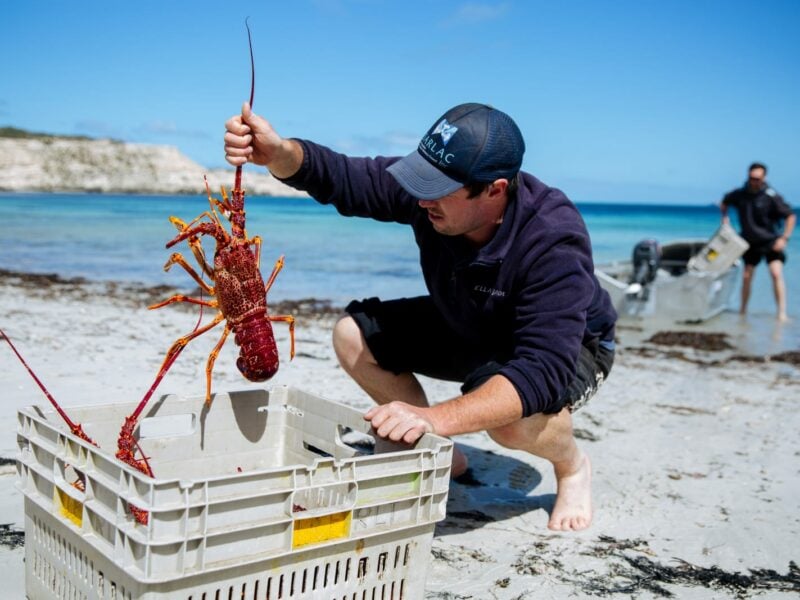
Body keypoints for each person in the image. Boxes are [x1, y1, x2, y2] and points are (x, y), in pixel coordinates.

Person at [224, 102, 617, 531]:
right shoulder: (430, 193)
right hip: (470, 319)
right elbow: (347, 178)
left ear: (494, 190)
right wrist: (279, 153)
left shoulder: (553, 238)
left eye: (438, 188)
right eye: (420, 180)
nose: (422, 196)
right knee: (352, 335)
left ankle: (573, 466)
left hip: (569, 346)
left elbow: (543, 370)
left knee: (512, 424)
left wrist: (432, 417)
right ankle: (439, 453)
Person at [721, 163, 795, 321]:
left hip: (771, 241)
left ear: (764, 178)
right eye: (751, 178)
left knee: (776, 273)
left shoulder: (771, 195)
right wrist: (725, 221)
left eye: (757, 178)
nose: (754, 181)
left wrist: (784, 238)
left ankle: (782, 313)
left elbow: (790, 216)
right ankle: (742, 312)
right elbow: (724, 202)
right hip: (749, 243)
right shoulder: (740, 194)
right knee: (747, 276)